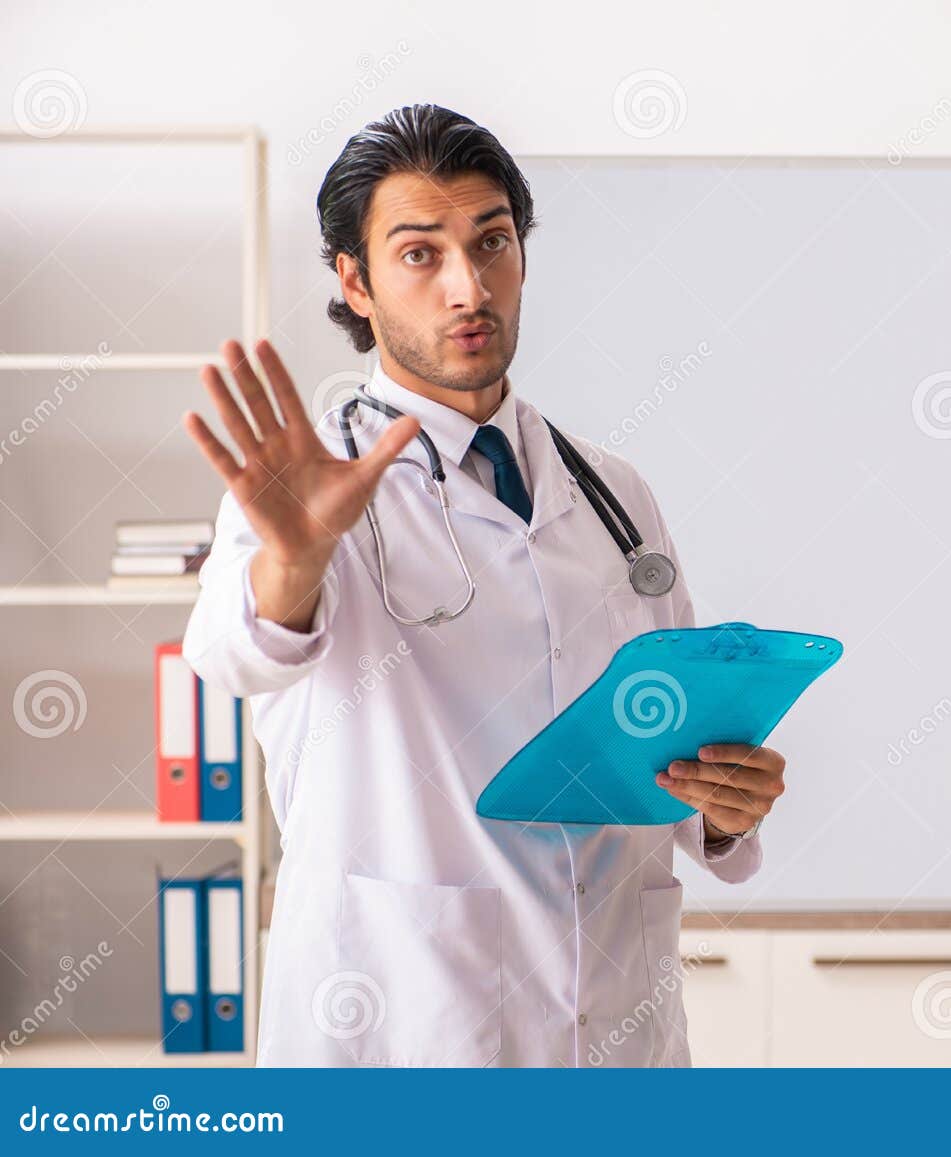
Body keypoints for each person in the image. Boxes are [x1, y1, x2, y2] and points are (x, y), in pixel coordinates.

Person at [180, 103, 785, 1067]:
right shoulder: (311, 486)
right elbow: (232, 653)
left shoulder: (613, 494)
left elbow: (669, 744)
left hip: (619, 1028)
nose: (469, 287)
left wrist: (721, 803)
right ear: (356, 282)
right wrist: (295, 556)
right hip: (403, 1029)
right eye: (420, 254)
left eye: (492, 242)